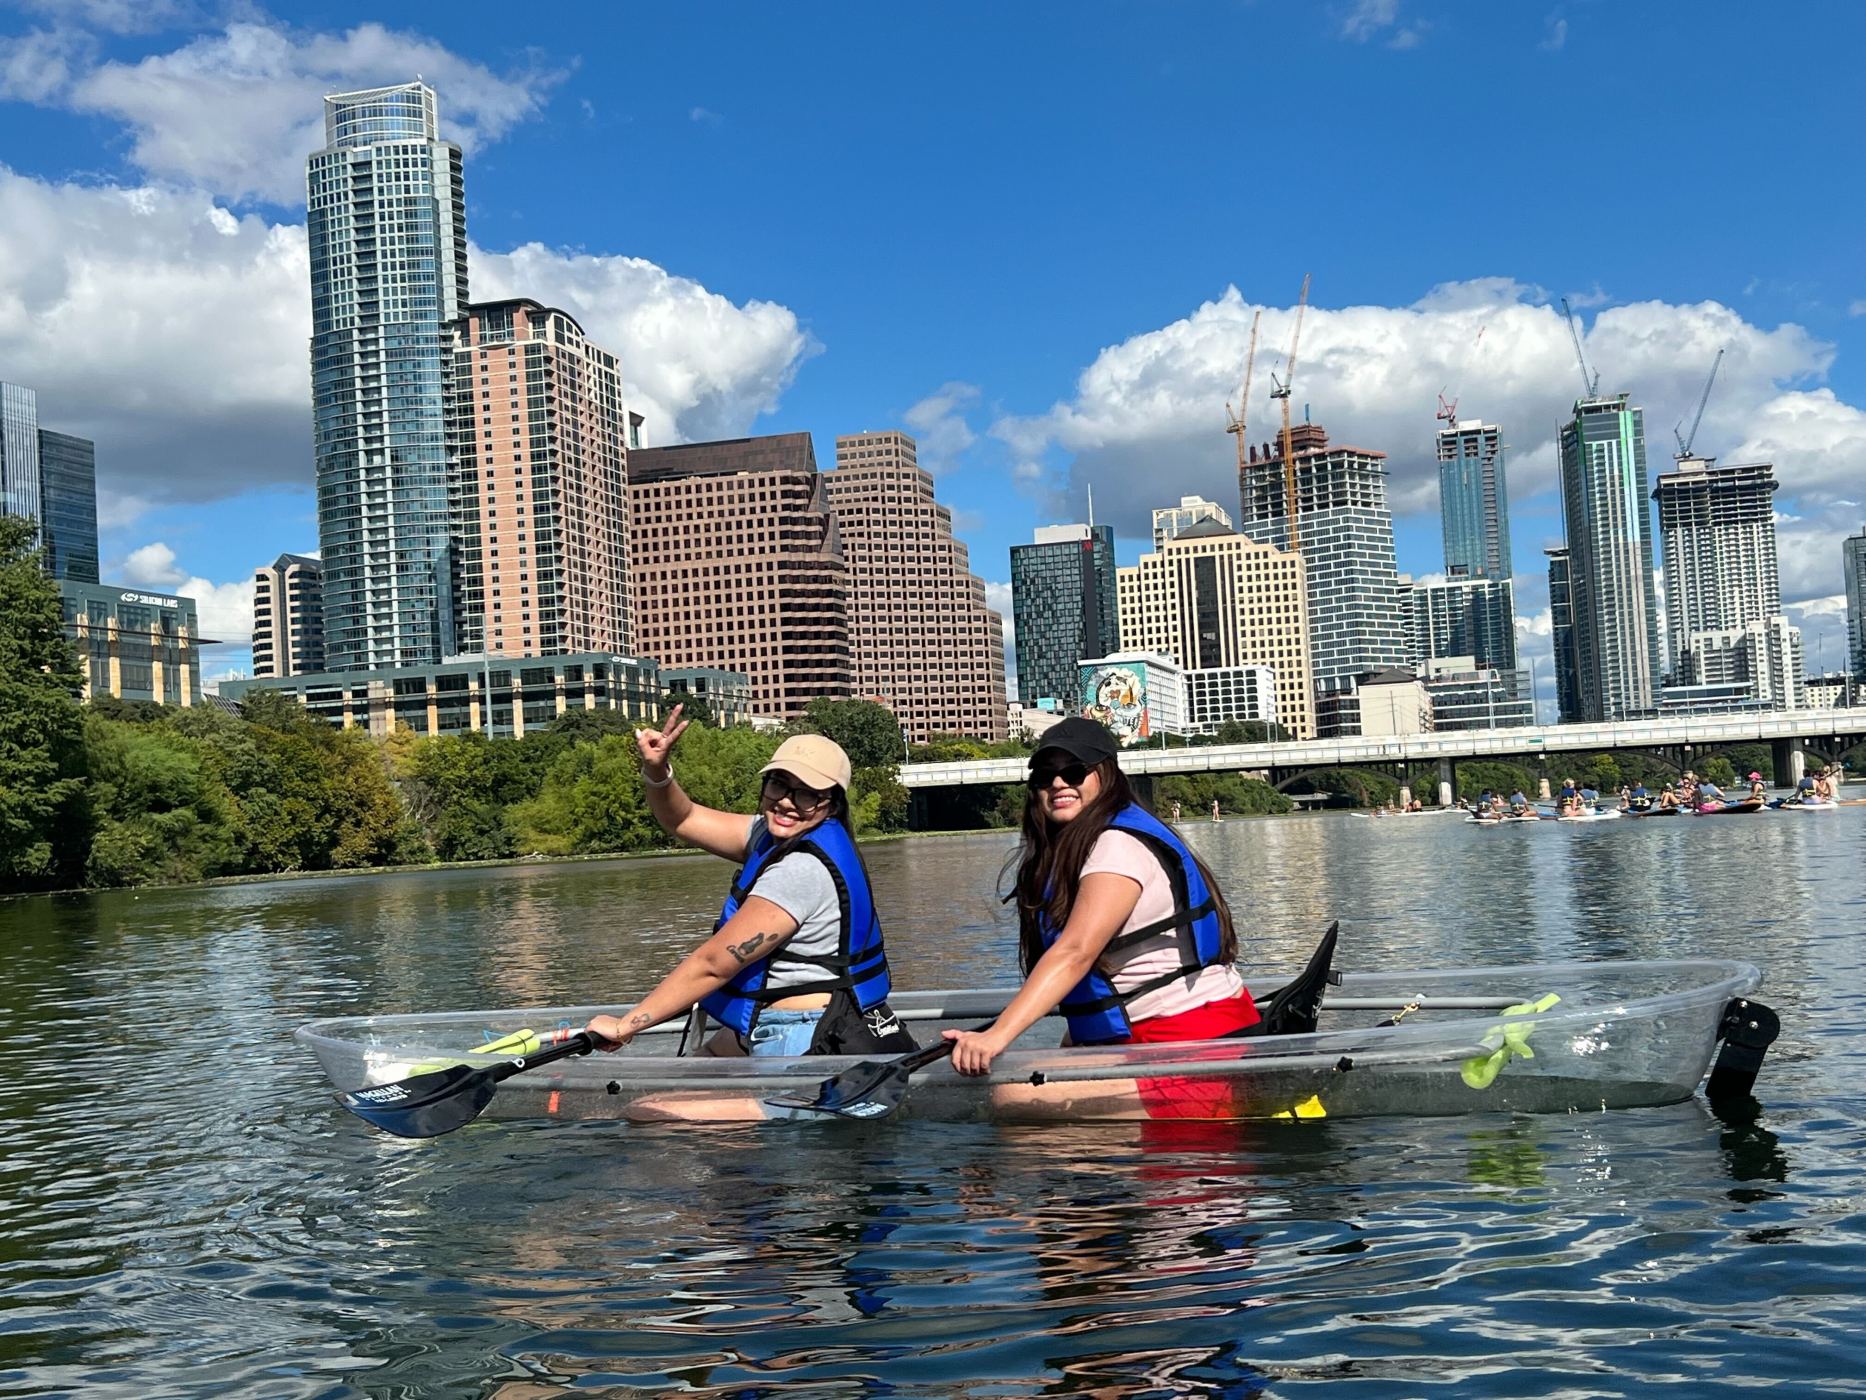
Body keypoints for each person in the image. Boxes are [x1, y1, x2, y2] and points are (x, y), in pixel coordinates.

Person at [584, 709, 915, 1096]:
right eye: (779, 785)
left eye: (807, 793)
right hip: (780, 1021)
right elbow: (684, 818)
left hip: (803, 1033)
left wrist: (627, 1027)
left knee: (653, 1114)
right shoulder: (767, 835)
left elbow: (713, 965)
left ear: (832, 803)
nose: (788, 802)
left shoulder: (800, 870)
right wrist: (659, 772)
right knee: (671, 1090)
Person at [942, 716, 1260, 1085]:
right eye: (1045, 776)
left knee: (1017, 1097)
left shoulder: (1117, 846)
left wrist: (997, 1036)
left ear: (1105, 775)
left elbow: (1076, 951)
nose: (1059, 783)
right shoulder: (1082, 846)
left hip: (1191, 1035)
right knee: (1034, 1080)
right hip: (1137, 1033)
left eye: (1075, 771)